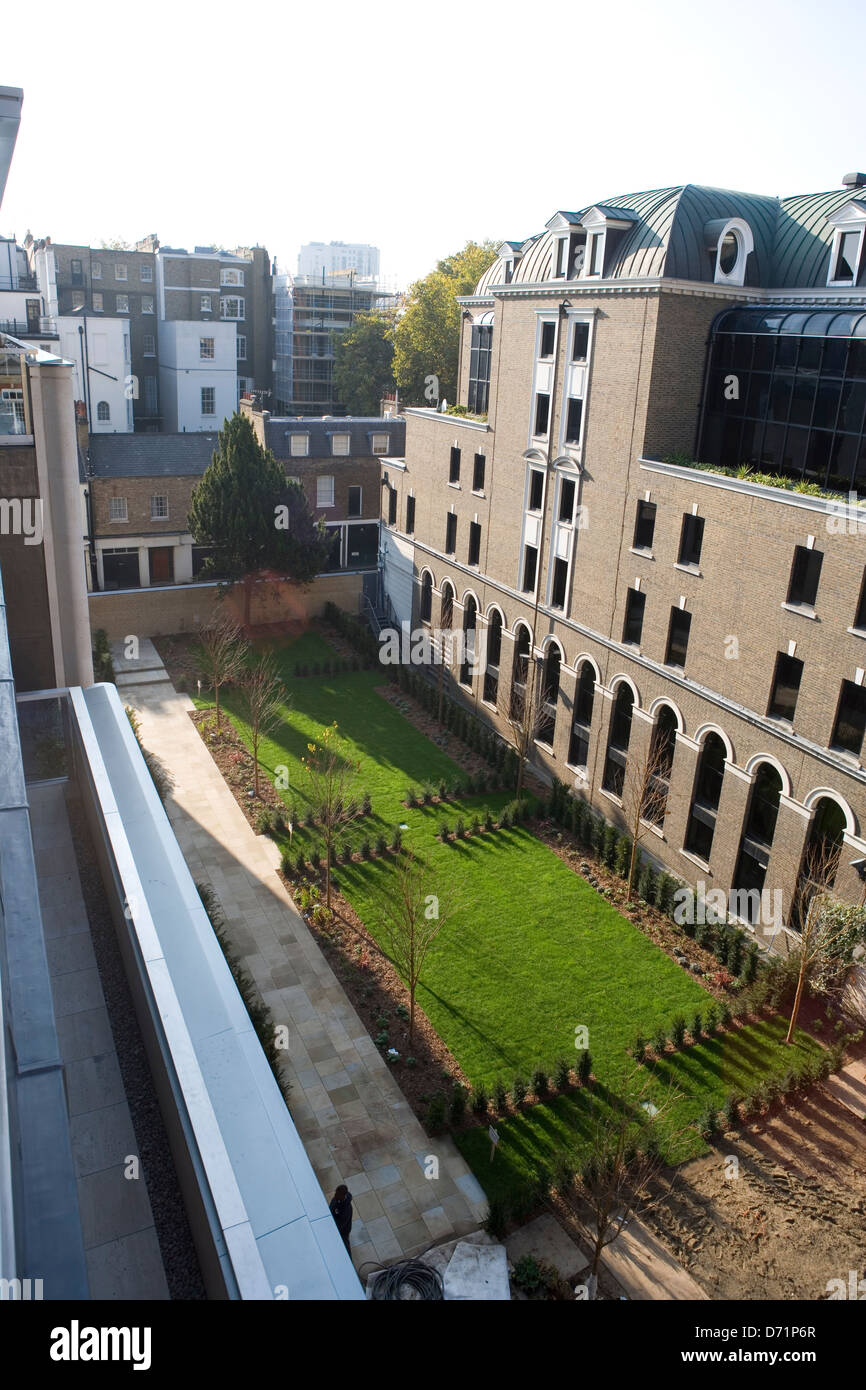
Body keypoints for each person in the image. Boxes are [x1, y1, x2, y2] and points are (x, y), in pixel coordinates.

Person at [329, 1184, 353, 1253]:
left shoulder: (347, 1210)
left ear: (343, 1196)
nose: (335, 1195)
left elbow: (340, 1225)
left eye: (337, 1194)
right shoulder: (336, 1199)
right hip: (337, 1224)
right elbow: (331, 1207)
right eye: (335, 1193)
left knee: (345, 1246)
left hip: (343, 1231)